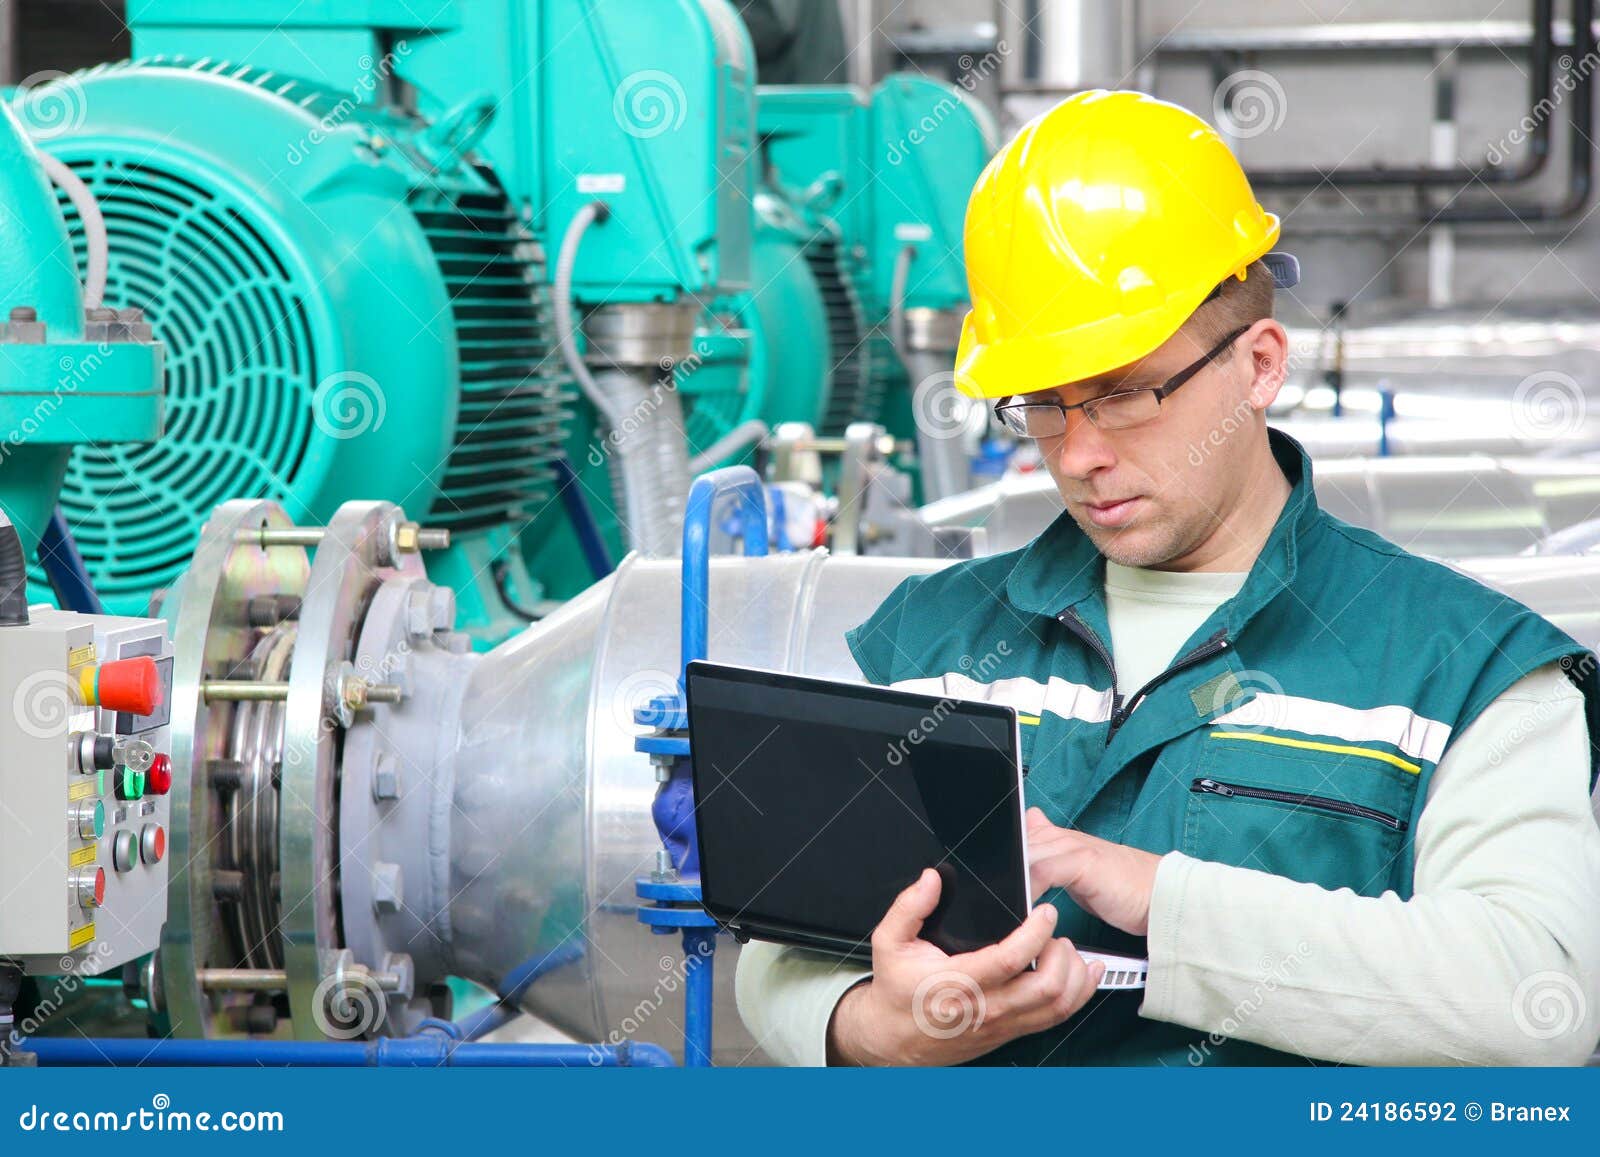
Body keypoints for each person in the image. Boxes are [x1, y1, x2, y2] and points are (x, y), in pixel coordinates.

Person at [735, 90, 1600, 1067]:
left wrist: (1157, 896)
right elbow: (789, 940)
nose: (1078, 454)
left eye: (1125, 393)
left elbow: (1539, 996)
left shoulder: (1466, 668)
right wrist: (870, 1028)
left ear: (1259, 364)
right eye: (1044, 403)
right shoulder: (932, 639)